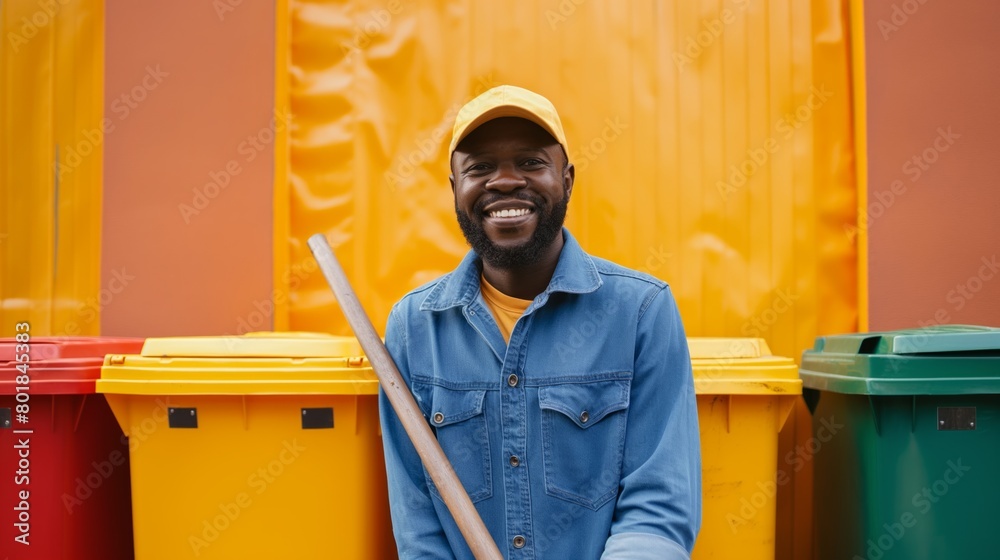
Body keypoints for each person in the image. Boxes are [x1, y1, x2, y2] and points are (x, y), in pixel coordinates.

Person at [379, 85, 701, 559]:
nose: (506, 181)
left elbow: (657, 509)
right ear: (455, 189)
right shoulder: (414, 327)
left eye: (530, 162)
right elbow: (418, 526)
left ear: (566, 180)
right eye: (480, 167)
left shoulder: (641, 313)